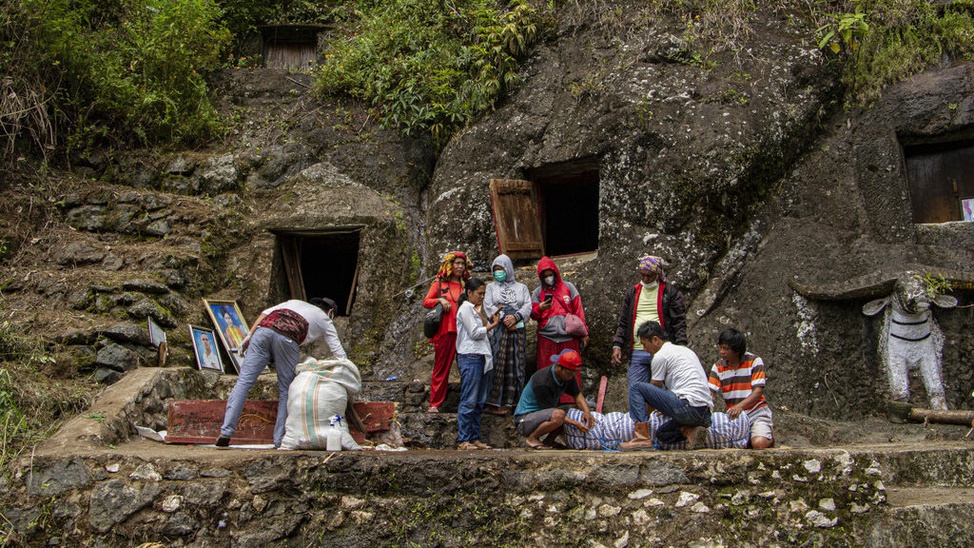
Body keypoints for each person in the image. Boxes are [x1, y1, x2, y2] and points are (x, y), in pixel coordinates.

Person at [216, 297, 346, 448]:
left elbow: (265, 313)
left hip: (262, 331)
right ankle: (279, 439)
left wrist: (249, 335)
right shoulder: (325, 319)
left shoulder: (293, 302)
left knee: (243, 382)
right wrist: (346, 371)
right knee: (286, 389)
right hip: (287, 338)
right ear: (331, 312)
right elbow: (338, 352)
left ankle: (225, 433)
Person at [620, 322, 712, 451]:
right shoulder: (686, 351)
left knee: (637, 387)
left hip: (687, 406)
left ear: (655, 340)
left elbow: (654, 389)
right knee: (662, 434)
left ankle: (642, 438)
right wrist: (664, 404)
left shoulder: (660, 356)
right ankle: (690, 431)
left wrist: (642, 417)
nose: (645, 349)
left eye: (645, 344)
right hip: (704, 414)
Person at [611, 255, 687, 394]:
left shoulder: (670, 292)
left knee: (664, 393)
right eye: (642, 275)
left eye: (650, 276)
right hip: (637, 350)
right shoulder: (633, 292)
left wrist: (681, 346)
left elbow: (679, 322)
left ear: (658, 274)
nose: (645, 279)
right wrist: (617, 345)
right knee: (635, 392)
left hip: (661, 351)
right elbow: (623, 321)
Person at [530, 256, 589, 404]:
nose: (549, 278)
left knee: (570, 370)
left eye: (550, 274)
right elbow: (533, 314)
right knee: (546, 371)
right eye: (545, 276)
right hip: (547, 336)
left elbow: (578, 309)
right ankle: (547, 401)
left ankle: (570, 401)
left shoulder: (568, 287)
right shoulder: (538, 292)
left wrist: (584, 332)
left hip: (568, 335)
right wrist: (540, 308)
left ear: (556, 273)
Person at [513, 349, 595, 449]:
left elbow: (577, 395)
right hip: (524, 420)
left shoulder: (567, 377)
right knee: (559, 415)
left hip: (544, 414)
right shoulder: (542, 381)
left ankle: (549, 441)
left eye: (573, 373)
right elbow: (552, 412)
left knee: (573, 410)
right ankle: (532, 438)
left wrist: (587, 412)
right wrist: (576, 424)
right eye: (569, 373)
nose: (571, 376)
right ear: (559, 367)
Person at [455, 278, 502, 450]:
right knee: (469, 399)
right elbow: (475, 333)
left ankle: (474, 437)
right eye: (479, 293)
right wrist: (494, 325)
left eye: (483, 294)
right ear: (469, 293)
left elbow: (484, 332)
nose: (482, 297)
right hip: (470, 355)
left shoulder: (475, 310)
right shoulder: (465, 308)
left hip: (481, 356)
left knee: (479, 400)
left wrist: (489, 320)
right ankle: (463, 439)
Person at [423, 251, 472, 413]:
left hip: (464, 332)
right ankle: (435, 403)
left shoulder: (466, 286)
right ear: (450, 265)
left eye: (462, 264)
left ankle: (468, 402)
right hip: (446, 330)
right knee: (441, 367)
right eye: (457, 263)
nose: (460, 266)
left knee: (466, 367)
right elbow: (426, 301)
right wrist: (440, 300)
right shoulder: (439, 284)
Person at [709, 328, 774, 449]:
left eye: (726, 349)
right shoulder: (718, 366)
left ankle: (768, 438)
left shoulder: (754, 361)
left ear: (737, 350)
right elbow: (711, 392)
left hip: (756, 412)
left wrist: (739, 406)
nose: (722, 352)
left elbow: (758, 391)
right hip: (735, 417)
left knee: (759, 444)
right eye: (721, 348)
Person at [483, 254, 532, 415]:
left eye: (502, 269)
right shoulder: (491, 287)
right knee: (497, 361)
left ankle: (514, 402)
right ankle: (493, 403)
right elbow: (488, 306)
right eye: (496, 270)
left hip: (517, 328)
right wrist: (504, 318)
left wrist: (515, 317)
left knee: (517, 362)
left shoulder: (521, 287)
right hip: (498, 327)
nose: (499, 273)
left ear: (508, 269)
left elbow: (527, 306)